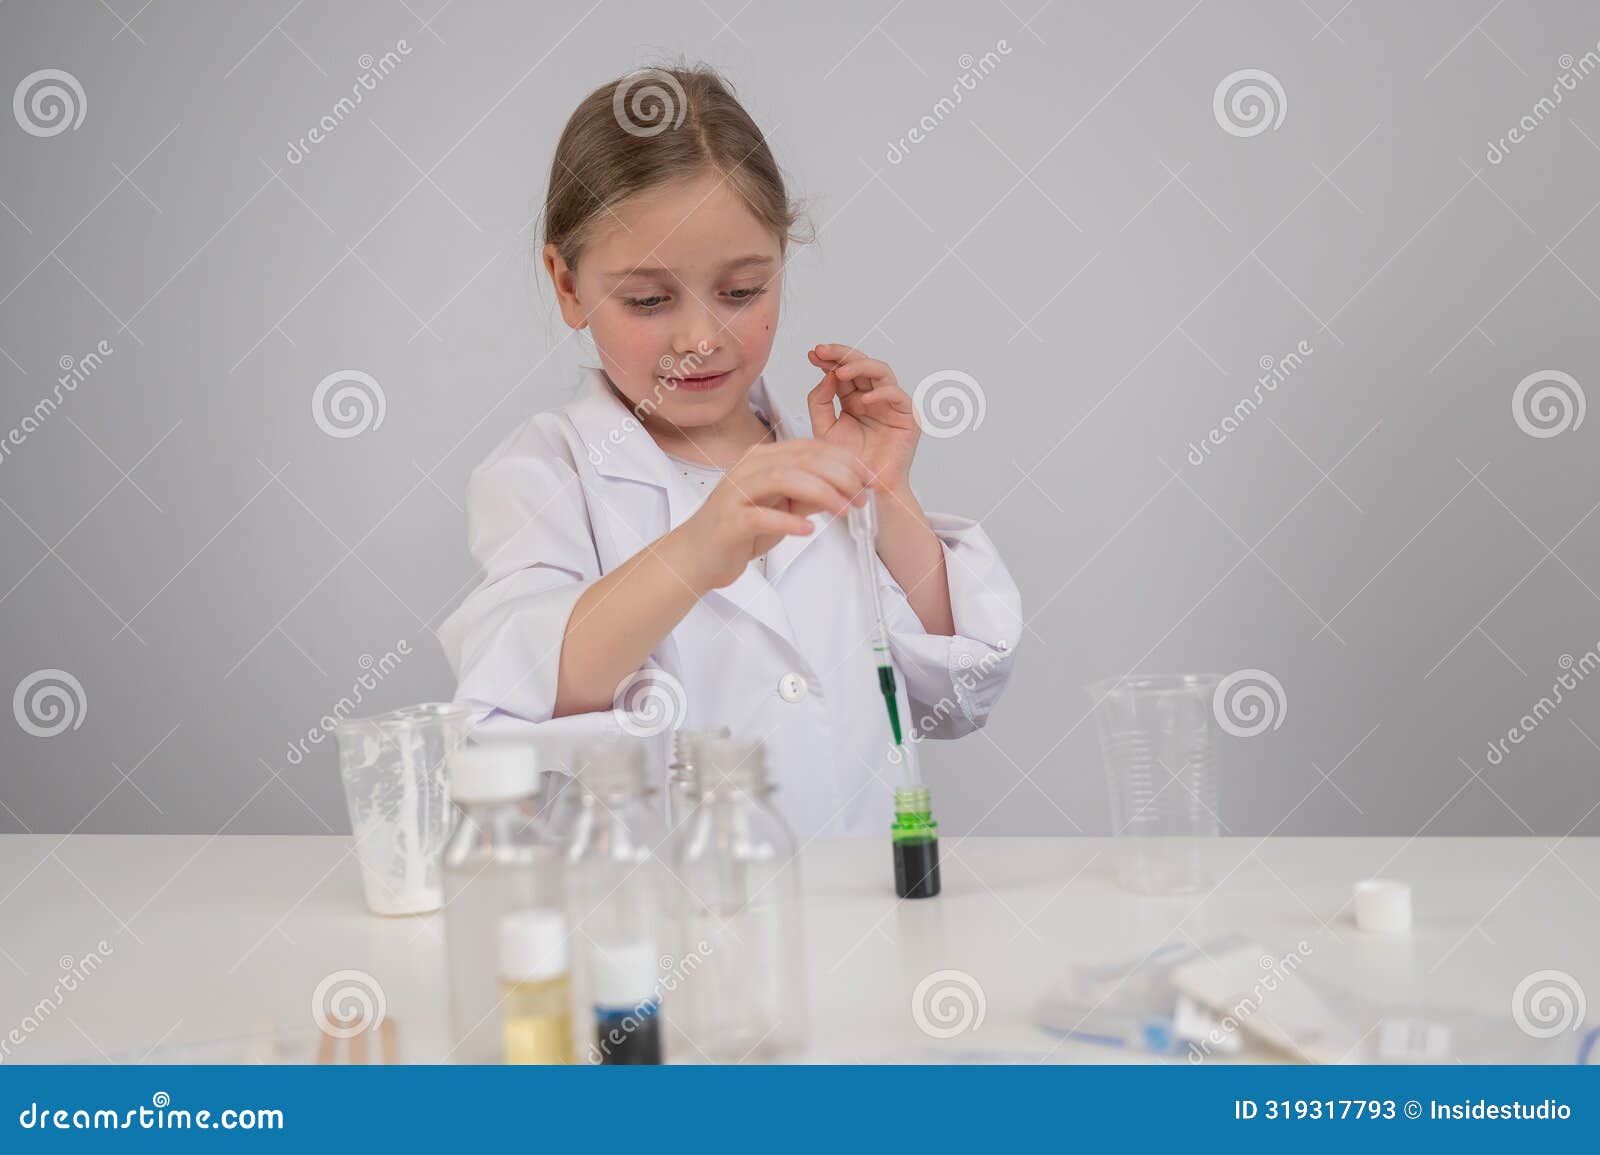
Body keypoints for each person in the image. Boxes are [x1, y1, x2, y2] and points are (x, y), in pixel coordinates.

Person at [437, 64, 1022, 837]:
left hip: (869, 916)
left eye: (742, 290)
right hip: (668, 926)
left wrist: (889, 496)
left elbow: (964, 686)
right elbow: (524, 685)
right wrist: (698, 550)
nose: (701, 337)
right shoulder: (545, 475)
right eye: (648, 299)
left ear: (781, 258)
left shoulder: (825, 464)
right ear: (568, 285)